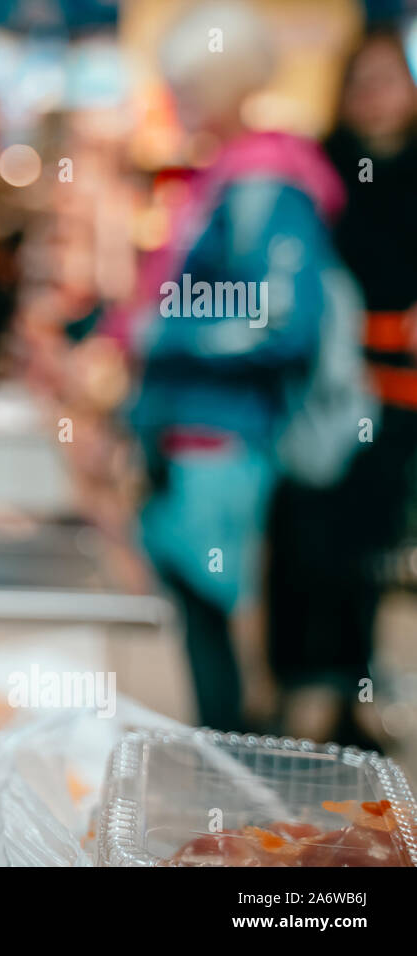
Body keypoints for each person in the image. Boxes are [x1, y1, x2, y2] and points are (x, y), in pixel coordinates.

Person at [126, 2, 349, 732]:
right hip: (201, 437)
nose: (179, 100)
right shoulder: (227, 176)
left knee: (222, 647)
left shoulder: (263, 181)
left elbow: (282, 322)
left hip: (222, 441)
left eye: (188, 84)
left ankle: (229, 820)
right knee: (208, 634)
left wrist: (158, 333)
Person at [265, 29, 417, 748]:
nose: (376, 96)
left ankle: (354, 690)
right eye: (364, 81)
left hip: (398, 399)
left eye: (389, 80)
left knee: (371, 547)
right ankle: (304, 690)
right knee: (308, 538)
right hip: (321, 392)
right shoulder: (321, 171)